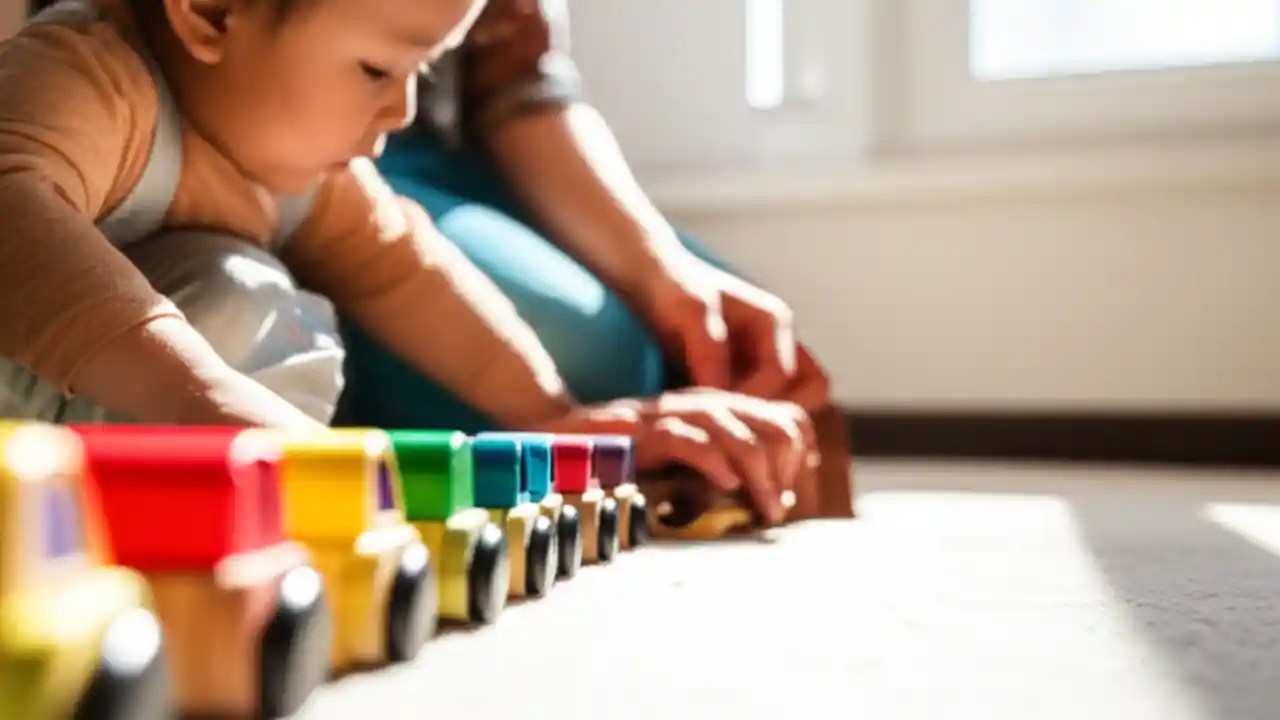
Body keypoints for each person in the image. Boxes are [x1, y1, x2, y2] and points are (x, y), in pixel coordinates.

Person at [0, 0, 850, 523]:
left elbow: (409, 272)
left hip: (100, 462)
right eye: (377, 66)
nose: (402, 108)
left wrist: (549, 418)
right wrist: (215, 400)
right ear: (214, 10)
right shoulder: (94, 74)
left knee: (262, 307)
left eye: (422, 71)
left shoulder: (315, 168)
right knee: (237, 307)